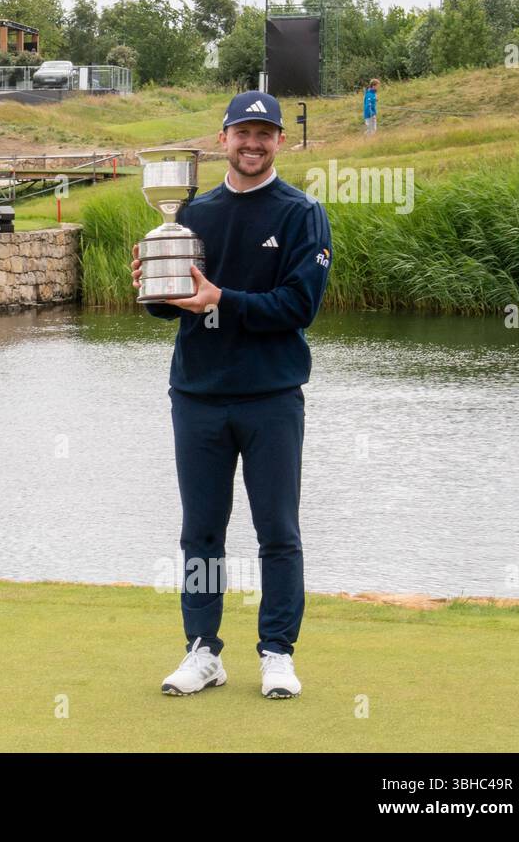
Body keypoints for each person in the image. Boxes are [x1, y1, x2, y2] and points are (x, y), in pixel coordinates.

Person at [131, 90, 332, 699]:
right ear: (223, 139)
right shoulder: (192, 212)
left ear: (279, 141)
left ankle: (277, 652)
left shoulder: (302, 213)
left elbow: (300, 307)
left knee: (278, 530)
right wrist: (154, 289)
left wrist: (223, 299)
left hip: (270, 396)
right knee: (201, 533)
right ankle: (203, 651)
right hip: (196, 395)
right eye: (242, 133)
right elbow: (176, 314)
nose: (252, 143)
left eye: (264, 134)